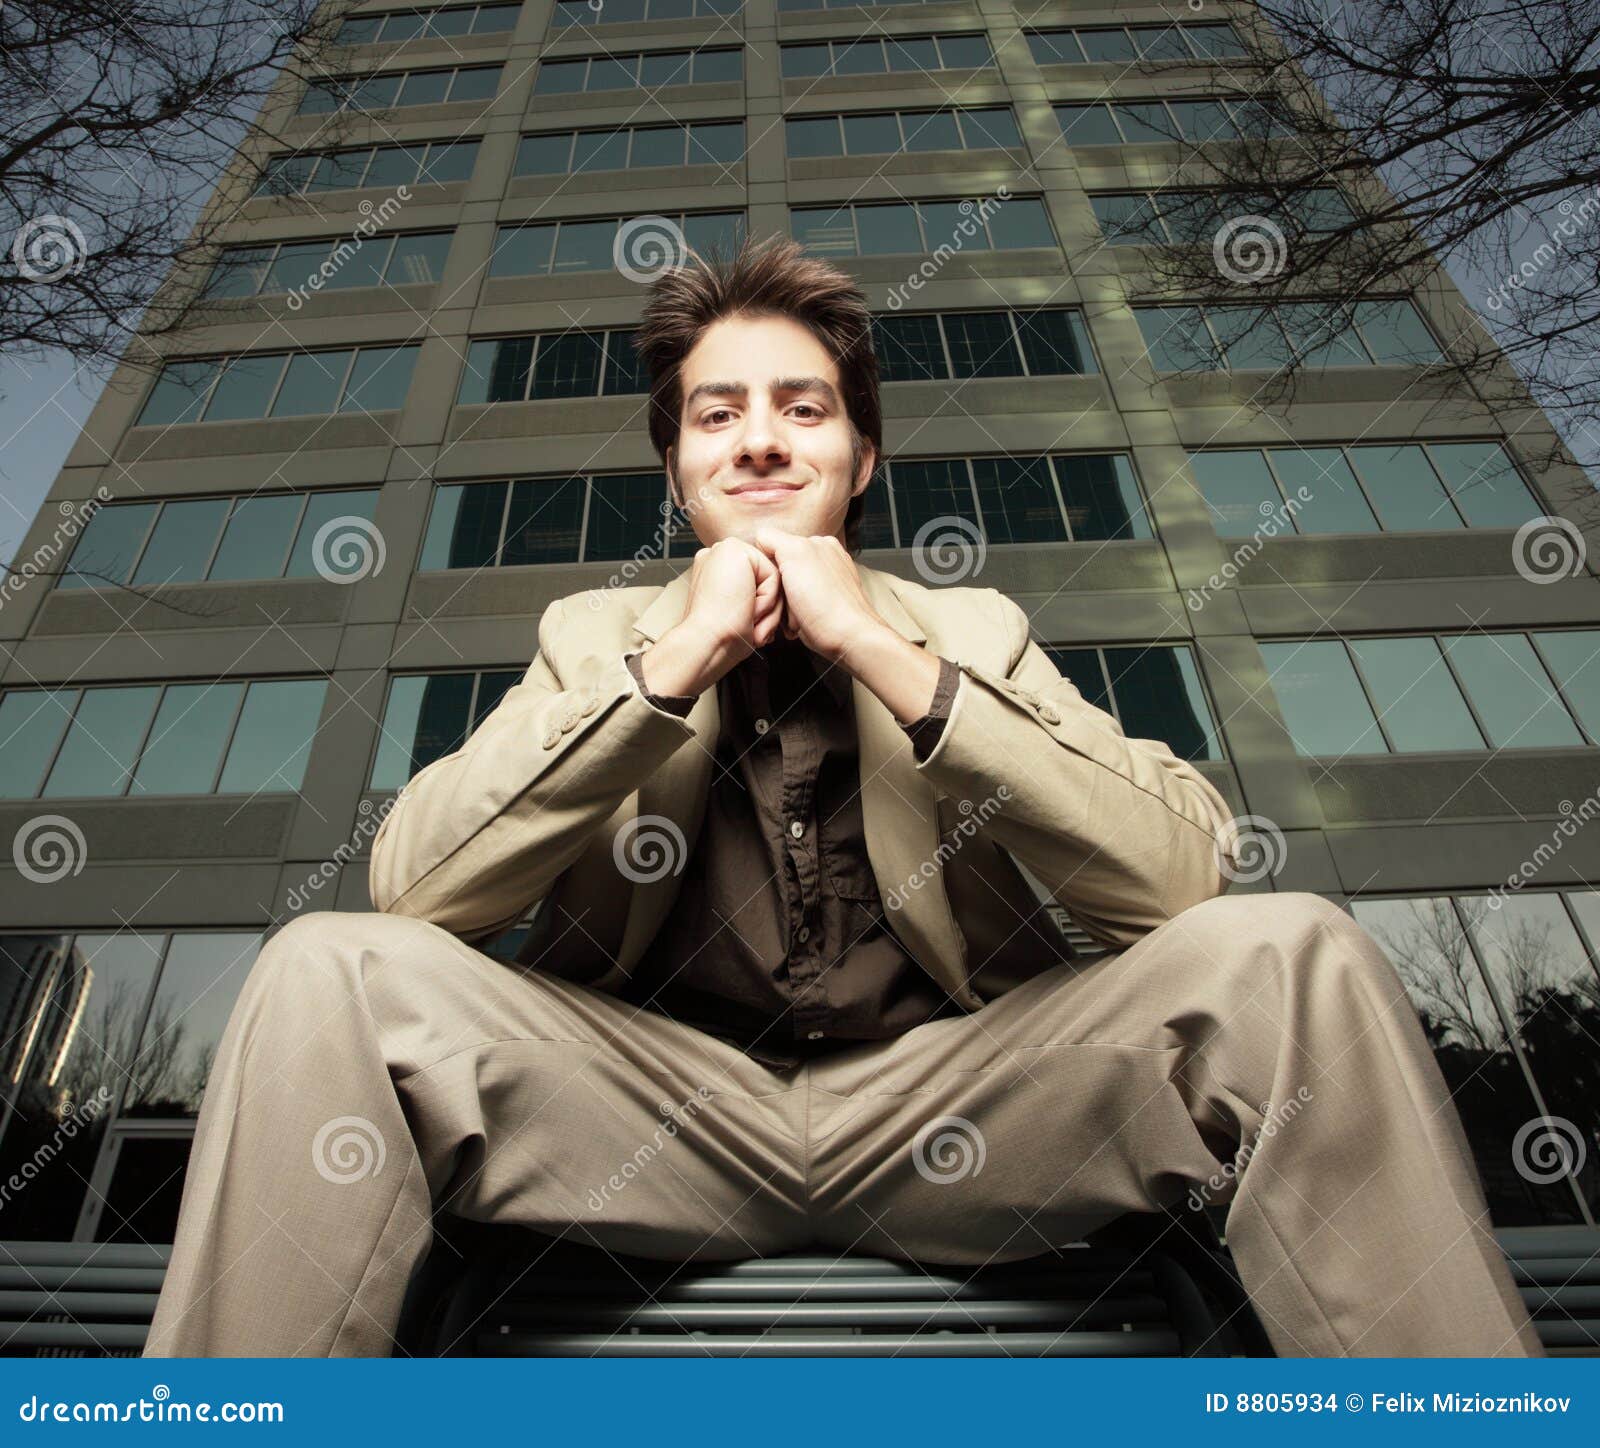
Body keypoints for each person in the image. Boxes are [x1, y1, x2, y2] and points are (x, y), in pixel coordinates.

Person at [144, 234, 1542, 1358]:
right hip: (652, 1118)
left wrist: (896, 661)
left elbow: (1184, 880)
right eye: (717, 416)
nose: (759, 441)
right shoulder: (590, 634)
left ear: (861, 461)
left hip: (959, 1108)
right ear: (681, 470)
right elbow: (420, 888)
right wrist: (667, 670)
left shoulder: (976, 628)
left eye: (802, 409)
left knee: (1291, 952)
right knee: (326, 967)